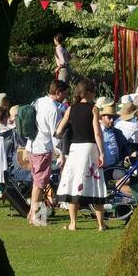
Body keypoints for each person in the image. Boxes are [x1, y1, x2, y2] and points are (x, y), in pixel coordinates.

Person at [54, 78, 107, 231]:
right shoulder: (94, 108)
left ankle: (73, 223)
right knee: (95, 184)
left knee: (73, 185)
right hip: (90, 147)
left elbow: (59, 131)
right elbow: (97, 133)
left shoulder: (71, 108)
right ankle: (100, 224)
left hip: (75, 150)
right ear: (89, 92)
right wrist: (102, 152)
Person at [28, 80, 69, 226]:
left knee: (37, 183)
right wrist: (61, 153)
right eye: (65, 94)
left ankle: (32, 213)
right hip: (42, 148)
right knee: (40, 183)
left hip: (32, 146)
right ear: (58, 92)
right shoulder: (53, 109)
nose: (66, 97)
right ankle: (36, 216)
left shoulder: (37, 101)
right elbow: (55, 134)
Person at [97, 101, 131, 179]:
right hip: (101, 168)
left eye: (113, 118)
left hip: (116, 166)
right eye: (109, 118)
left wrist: (129, 154)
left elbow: (125, 147)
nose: (112, 120)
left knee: (125, 178)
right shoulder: (97, 132)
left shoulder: (118, 132)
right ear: (102, 117)